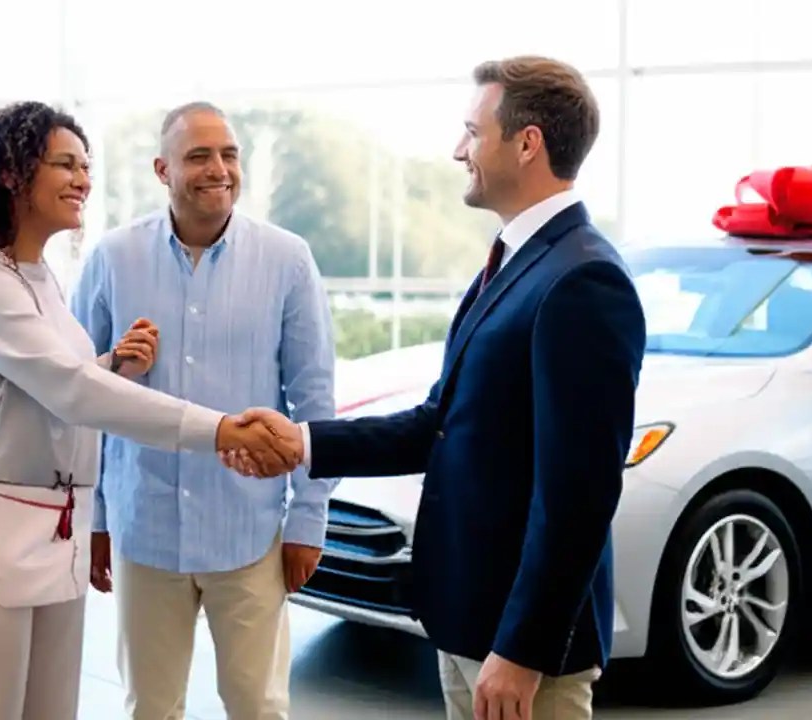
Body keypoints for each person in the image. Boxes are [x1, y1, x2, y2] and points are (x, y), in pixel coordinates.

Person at [226, 56, 646, 720]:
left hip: (519, 651)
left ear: (527, 142)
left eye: (472, 132)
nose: (459, 151)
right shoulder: (517, 264)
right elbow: (441, 424)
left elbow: (579, 494)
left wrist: (523, 651)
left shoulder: (583, 281)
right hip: (468, 622)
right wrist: (302, 442)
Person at [0, 100, 299, 720]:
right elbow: (71, 391)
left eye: (86, 165)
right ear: (11, 174)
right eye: (65, 165)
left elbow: (51, 385)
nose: (84, 179)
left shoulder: (37, 277)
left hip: (48, 527)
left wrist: (113, 365)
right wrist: (219, 430)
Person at [71, 101, 337, 720]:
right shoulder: (114, 258)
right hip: (144, 530)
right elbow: (82, 395)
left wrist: (307, 522)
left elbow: (315, 400)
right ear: (162, 169)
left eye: (228, 154)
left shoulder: (287, 259)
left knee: (258, 706)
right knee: (149, 707)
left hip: (248, 533)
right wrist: (99, 516)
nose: (218, 169)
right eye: (198, 156)